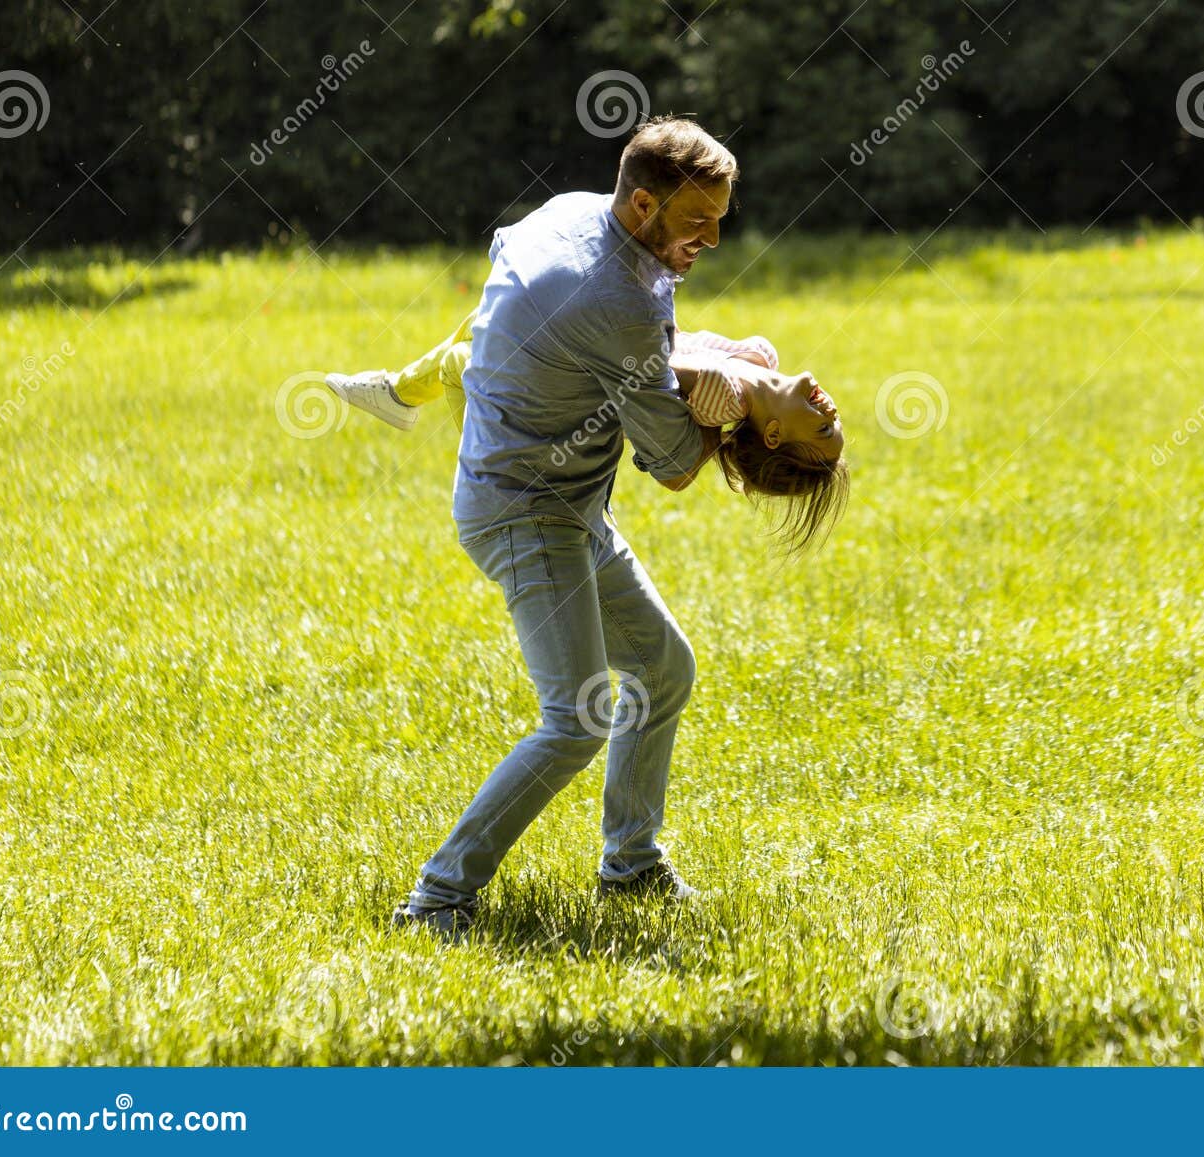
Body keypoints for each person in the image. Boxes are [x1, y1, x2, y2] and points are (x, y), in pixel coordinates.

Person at [368, 117, 844, 943]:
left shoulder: (576, 211)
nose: (714, 240)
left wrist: (713, 376)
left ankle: (631, 865)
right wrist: (715, 403)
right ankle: (436, 899)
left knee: (663, 668)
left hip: (565, 503)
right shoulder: (613, 297)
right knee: (578, 718)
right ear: (643, 205)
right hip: (525, 513)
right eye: (699, 222)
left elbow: (534, 273)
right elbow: (672, 464)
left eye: (721, 219)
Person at [327, 319, 848, 552]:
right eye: (836, 421)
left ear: (774, 434)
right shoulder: (762, 360)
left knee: (464, 363)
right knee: (481, 320)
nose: (830, 408)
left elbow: (646, 368)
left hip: (576, 378)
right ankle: (396, 394)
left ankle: (484, 474)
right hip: (602, 338)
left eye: (823, 427)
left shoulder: (724, 397)